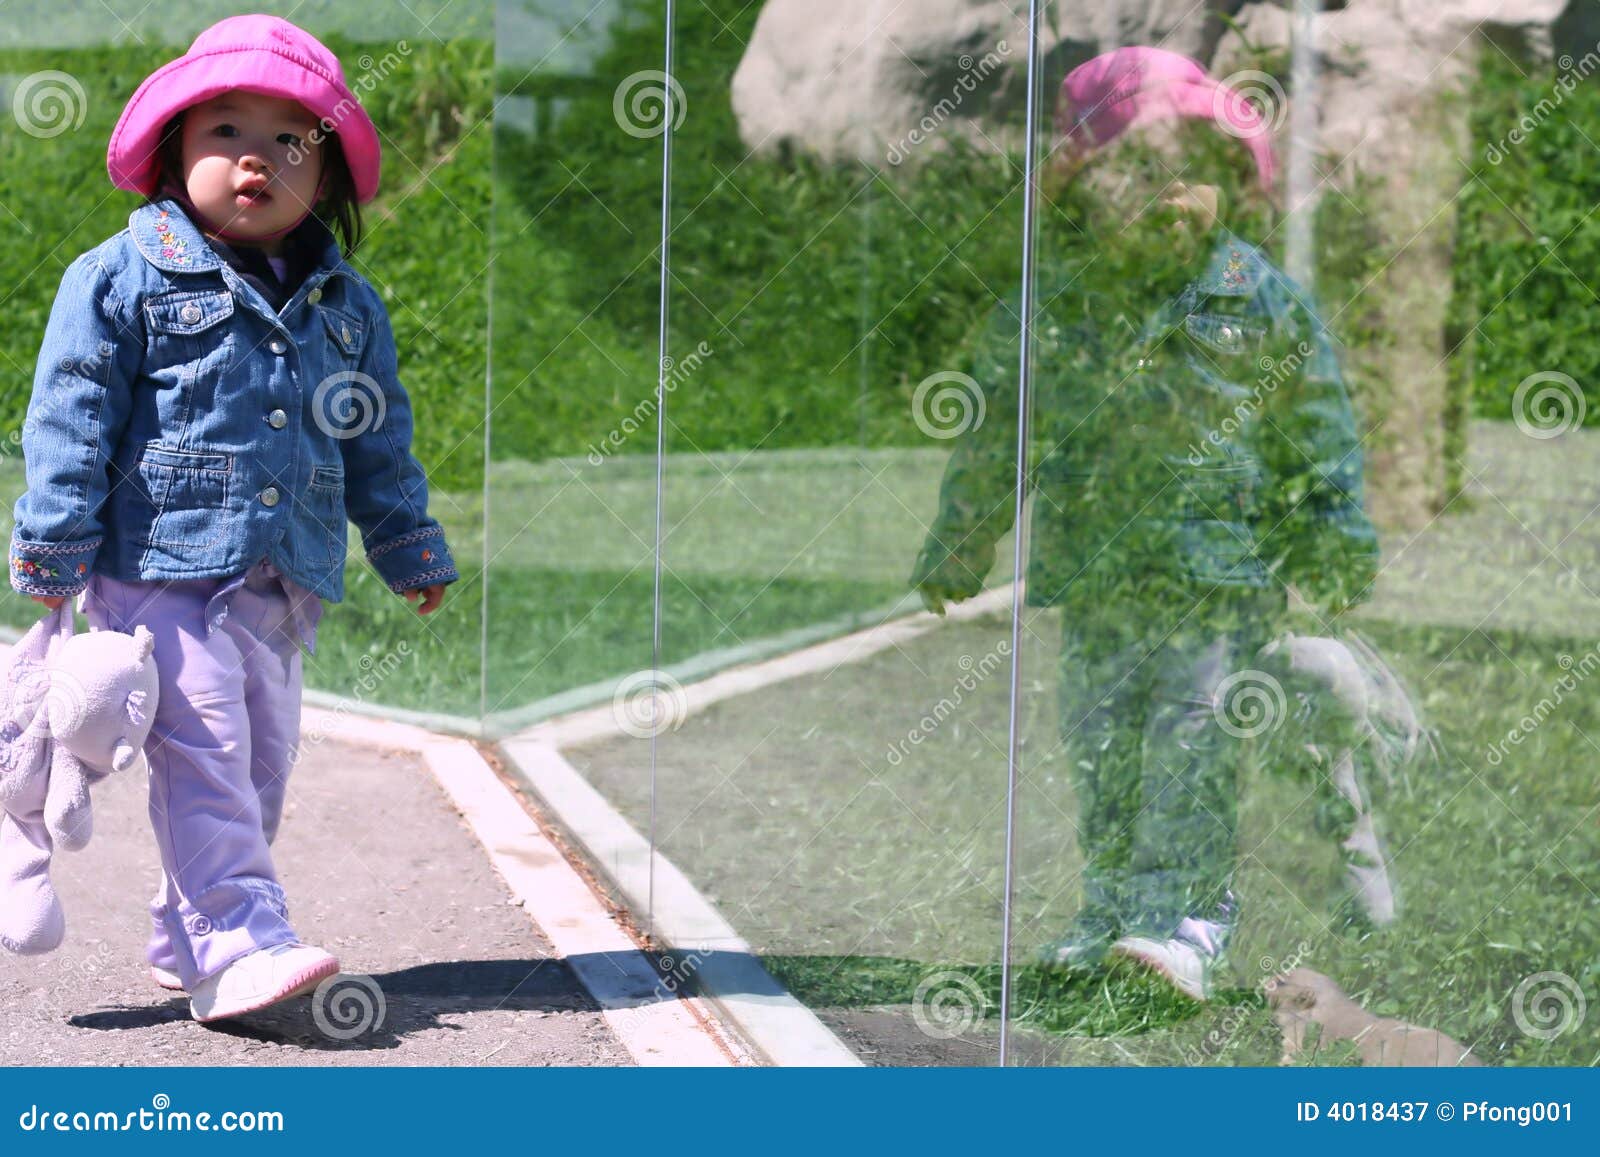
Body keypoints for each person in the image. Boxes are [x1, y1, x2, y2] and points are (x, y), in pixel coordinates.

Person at [6, 15, 460, 1022]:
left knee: (260, 758)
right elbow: (71, 411)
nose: (254, 156)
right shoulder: (119, 278)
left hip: (283, 573)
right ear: (172, 152)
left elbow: (375, 438)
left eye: (289, 139)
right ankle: (237, 942)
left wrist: (404, 541)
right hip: (160, 560)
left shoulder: (347, 305)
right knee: (205, 744)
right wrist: (56, 539)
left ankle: (185, 925)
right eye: (223, 132)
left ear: (327, 173)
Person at [910, 47, 1380, 1000]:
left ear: (1228, 184)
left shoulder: (1260, 300)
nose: (1170, 191)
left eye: (1191, 172)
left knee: (1192, 740)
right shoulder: (1051, 308)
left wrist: (1334, 524)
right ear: (1086, 192)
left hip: (1219, 574)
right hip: (1096, 576)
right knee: (1103, 742)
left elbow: (1317, 420)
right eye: (1136, 171)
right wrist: (964, 535)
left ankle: (1187, 919)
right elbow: (1001, 427)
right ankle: (1111, 905)